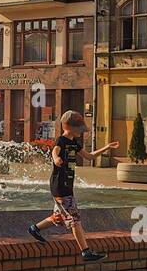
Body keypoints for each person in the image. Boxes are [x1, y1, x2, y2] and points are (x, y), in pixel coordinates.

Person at [26, 111, 116, 262]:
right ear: (67, 126)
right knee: (74, 218)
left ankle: (35, 228)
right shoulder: (61, 141)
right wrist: (56, 160)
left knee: (59, 217)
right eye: (78, 129)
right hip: (60, 185)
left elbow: (89, 156)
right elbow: (55, 152)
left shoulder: (74, 143)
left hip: (67, 185)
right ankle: (85, 251)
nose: (80, 133)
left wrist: (106, 147)